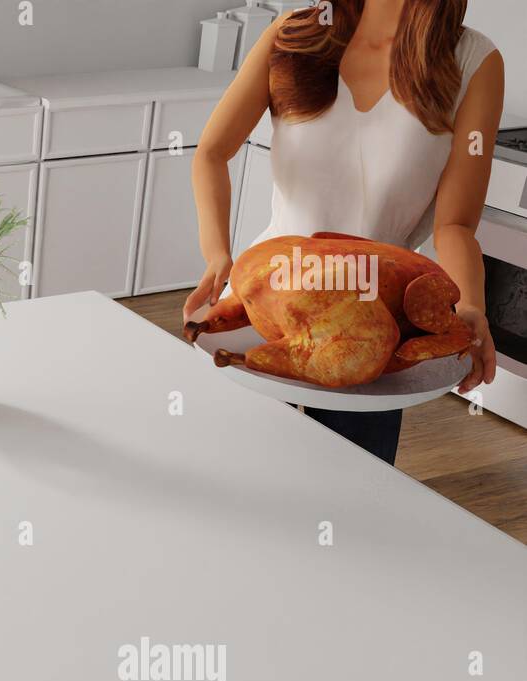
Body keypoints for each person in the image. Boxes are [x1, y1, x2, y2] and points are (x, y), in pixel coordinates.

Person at [184, 0, 504, 464]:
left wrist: (471, 305)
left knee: (350, 486)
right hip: (263, 303)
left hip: (373, 330)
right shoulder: (292, 35)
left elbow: (454, 224)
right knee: (236, 472)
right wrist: (217, 255)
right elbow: (211, 153)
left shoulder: (474, 61)